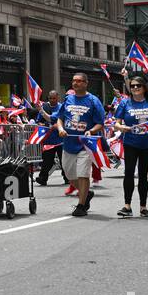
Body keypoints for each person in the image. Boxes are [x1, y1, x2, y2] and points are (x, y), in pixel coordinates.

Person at [112, 73, 148, 218]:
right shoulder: (125, 103)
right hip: (130, 143)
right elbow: (116, 122)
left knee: (142, 175)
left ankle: (143, 207)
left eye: (138, 86)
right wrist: (120, 127)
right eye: (132, 86)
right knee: (128, 172)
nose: (135, 88)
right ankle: (127, 206)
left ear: (144, 87)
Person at [54, 73, 105, 217]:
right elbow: (60, 118)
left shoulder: (94, 101)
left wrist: (91, 130)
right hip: (68, 144)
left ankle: (81, 205)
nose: (76, 83)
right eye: (74, 81)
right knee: (70, 176)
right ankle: (86, 193)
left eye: (79, 81)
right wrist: (61, 129)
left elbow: (100, 123)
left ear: (86, 83)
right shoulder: (68, 99)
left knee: (83, 175)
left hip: (85, 145)